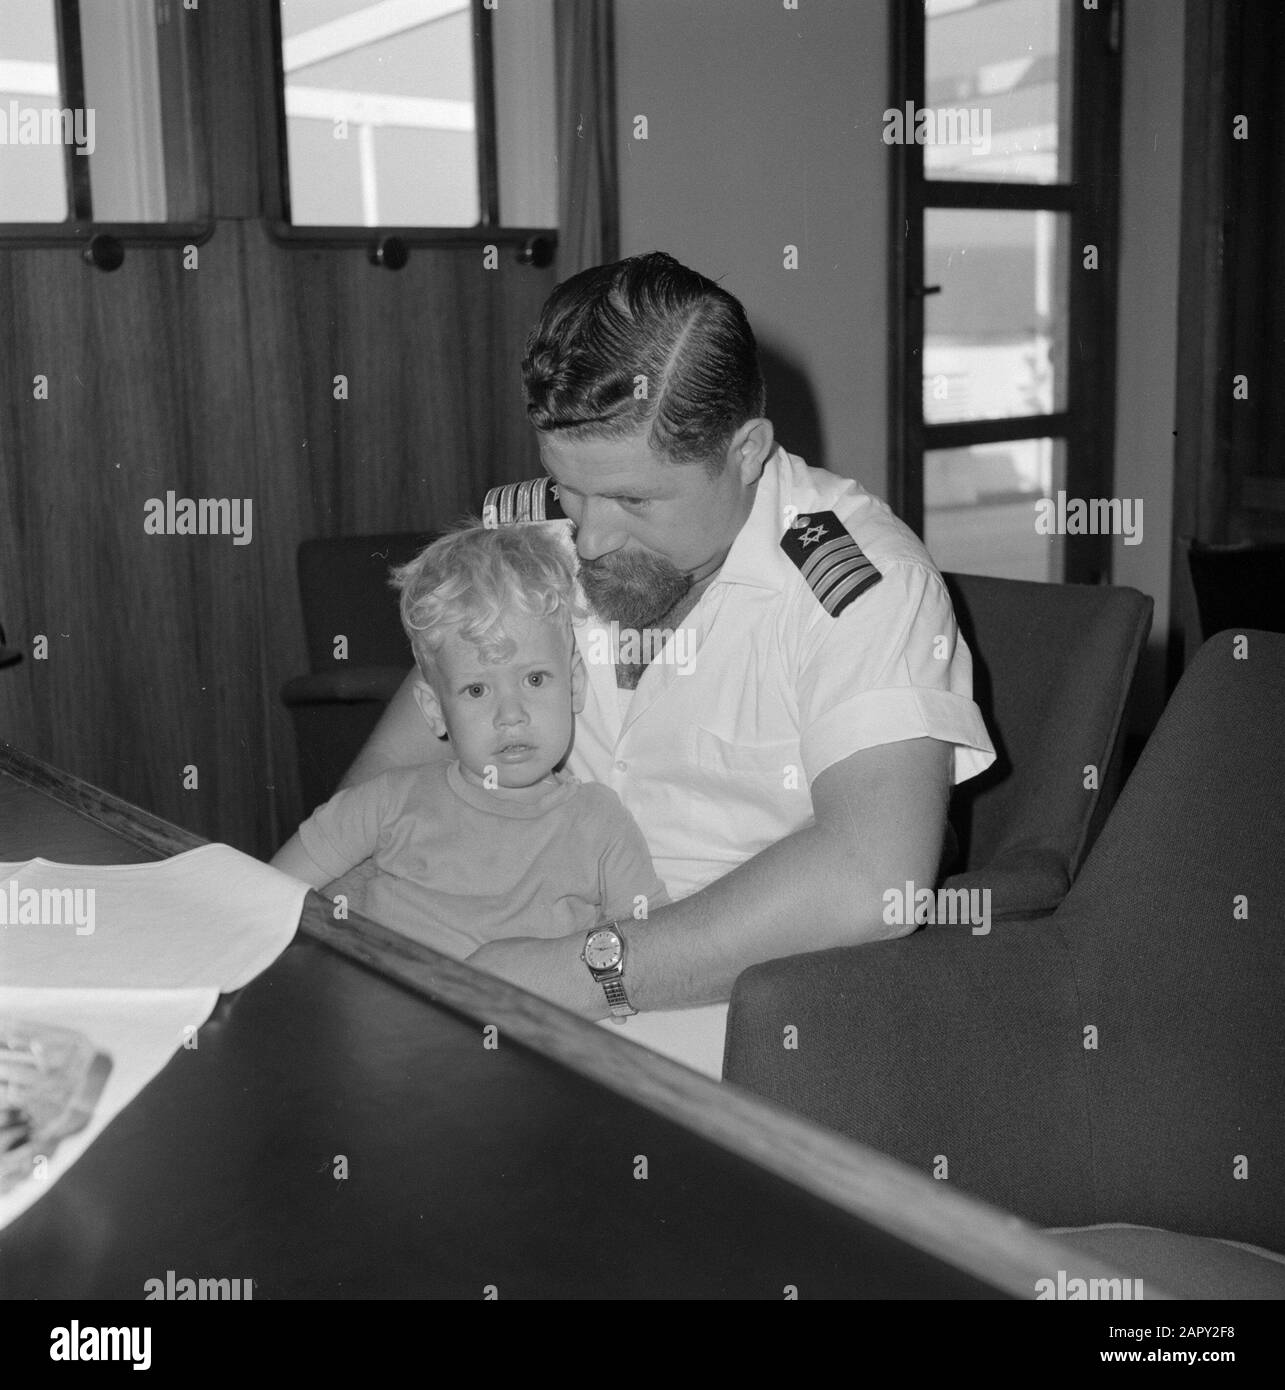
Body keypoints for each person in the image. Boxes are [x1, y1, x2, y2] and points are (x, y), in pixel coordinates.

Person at [340, 252, 997, 1077]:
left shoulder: (858, 587)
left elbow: (869, 879)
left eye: (634, 501)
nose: (587, 539)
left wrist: (581, 970)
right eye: (567, 490)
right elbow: (390, 780)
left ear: (747, 450)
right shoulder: (537, 536)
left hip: (753, 1018)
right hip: (508, 963)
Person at [271, 524, 667, 965]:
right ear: (434, 708)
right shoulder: (384, 802)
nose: (511, 714)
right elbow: (263, 895)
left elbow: (647, 951)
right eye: (477, 690)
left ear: (573, 683)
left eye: (535, 679)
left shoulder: (601, 822)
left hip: (525, 1024)